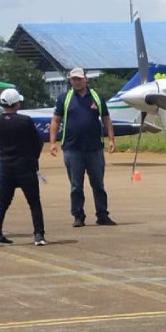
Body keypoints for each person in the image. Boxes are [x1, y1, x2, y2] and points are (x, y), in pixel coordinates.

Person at [48, 67, 116, 227]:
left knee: (98, 184)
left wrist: (111, 139)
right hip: (72, 148)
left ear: (85, 79)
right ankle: (78, 215)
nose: (76, 82)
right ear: (70, 81)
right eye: (74, 79)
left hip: (94, 149)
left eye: (79, 78)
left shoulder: (97, 97)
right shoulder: (64, 98)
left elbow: (106, 119)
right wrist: (52, 142)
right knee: (76, 185)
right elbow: (56, 120)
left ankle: (102, 214)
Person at [0, 88, 46, 247]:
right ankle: (39, 235)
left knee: (3, 202)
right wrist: (33, 157)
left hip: (6, 166)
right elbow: (37, 142)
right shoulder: (25, 121)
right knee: (34, 202)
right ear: (16, 103)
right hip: (25, 165)